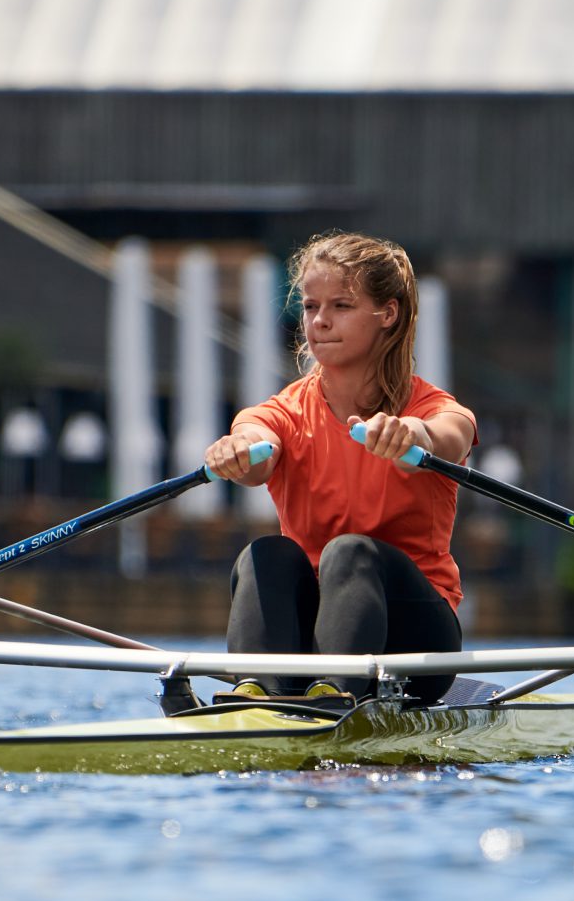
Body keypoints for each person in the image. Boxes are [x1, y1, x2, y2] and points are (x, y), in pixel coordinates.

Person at [202, 233, 476, 704]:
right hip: (309, 638)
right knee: (265, 554)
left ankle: (333, 696)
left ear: (387, 314)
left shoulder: (433, 407)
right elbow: (256, 439)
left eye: (341, 306)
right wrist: (239, 451)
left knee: (350, 553)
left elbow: (451, 435)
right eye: (310, 307)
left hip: (413, 644)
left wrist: (413, 436)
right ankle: (257, 695)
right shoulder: (283, 412)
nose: (320, 322)